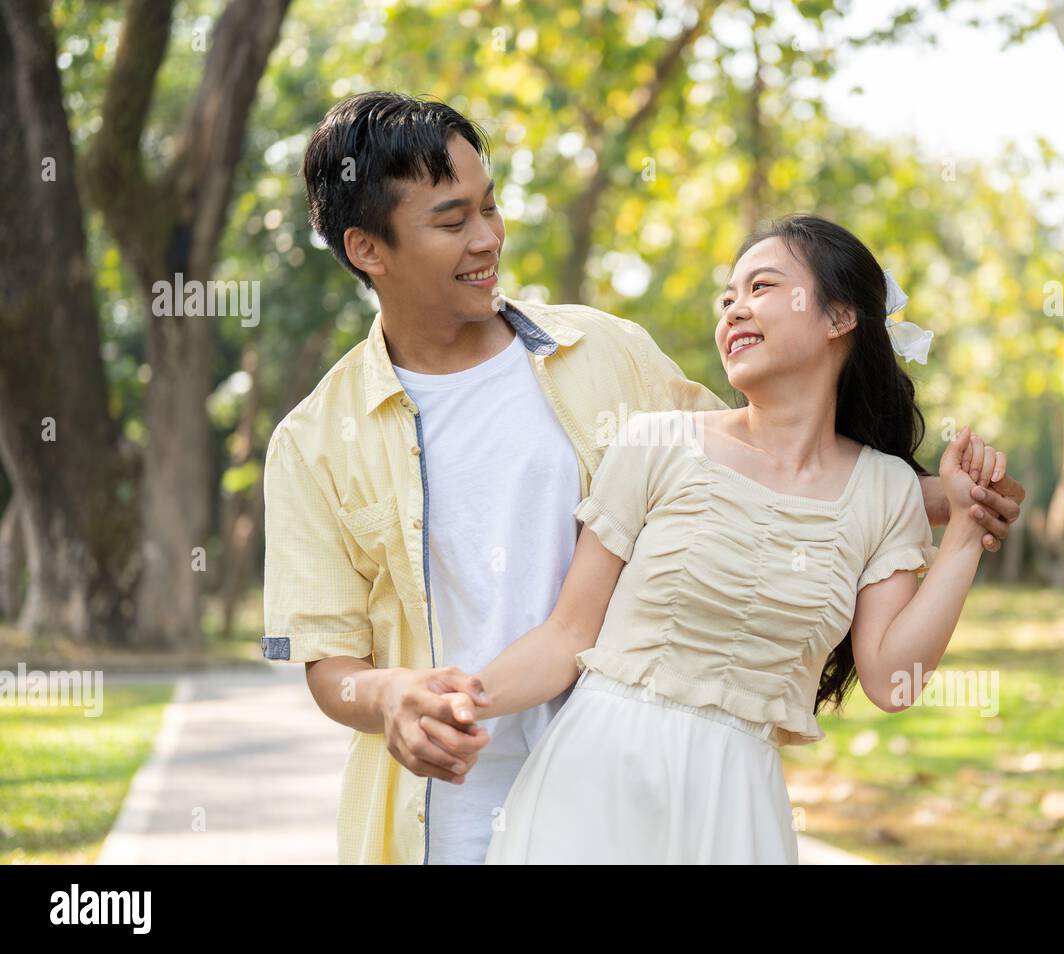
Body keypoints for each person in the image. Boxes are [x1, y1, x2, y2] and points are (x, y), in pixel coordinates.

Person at [262, 91, 1025, 865]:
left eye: (490, 207)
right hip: (443, 813)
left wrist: (950, 505)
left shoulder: (605, 353)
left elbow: (769, 468)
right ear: (367, 249)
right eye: (452, 221)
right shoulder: (314, 443)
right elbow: (332, 669)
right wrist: (395, 695)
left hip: (655, 796)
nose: (488, 237)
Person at [442, 214, 1001, 863]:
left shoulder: (885, 492)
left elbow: (892, 683)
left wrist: (964, 534)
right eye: (727, 298)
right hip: (595, 784)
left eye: (761, 288)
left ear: (839, 317)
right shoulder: (657, 442)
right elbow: (569, 635)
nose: (734, 310)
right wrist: (459, 703)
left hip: (738, 809)